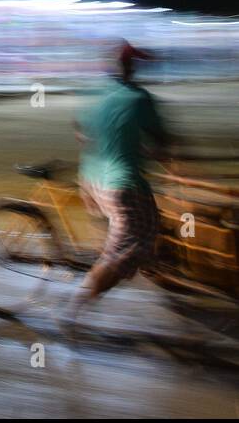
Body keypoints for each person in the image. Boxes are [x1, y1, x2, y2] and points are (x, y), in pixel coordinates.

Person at [65, 40, 172, 330]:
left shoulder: (95, 92)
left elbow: (79, 128)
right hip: (121, 186)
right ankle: (76, 306)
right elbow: (163, 143)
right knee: (133, 244)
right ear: (130, 67)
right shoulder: (140, 99)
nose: (136, 67)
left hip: (90, 181)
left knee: (148, 220)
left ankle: (144, 266)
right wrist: (161, 156)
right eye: (134, 63)